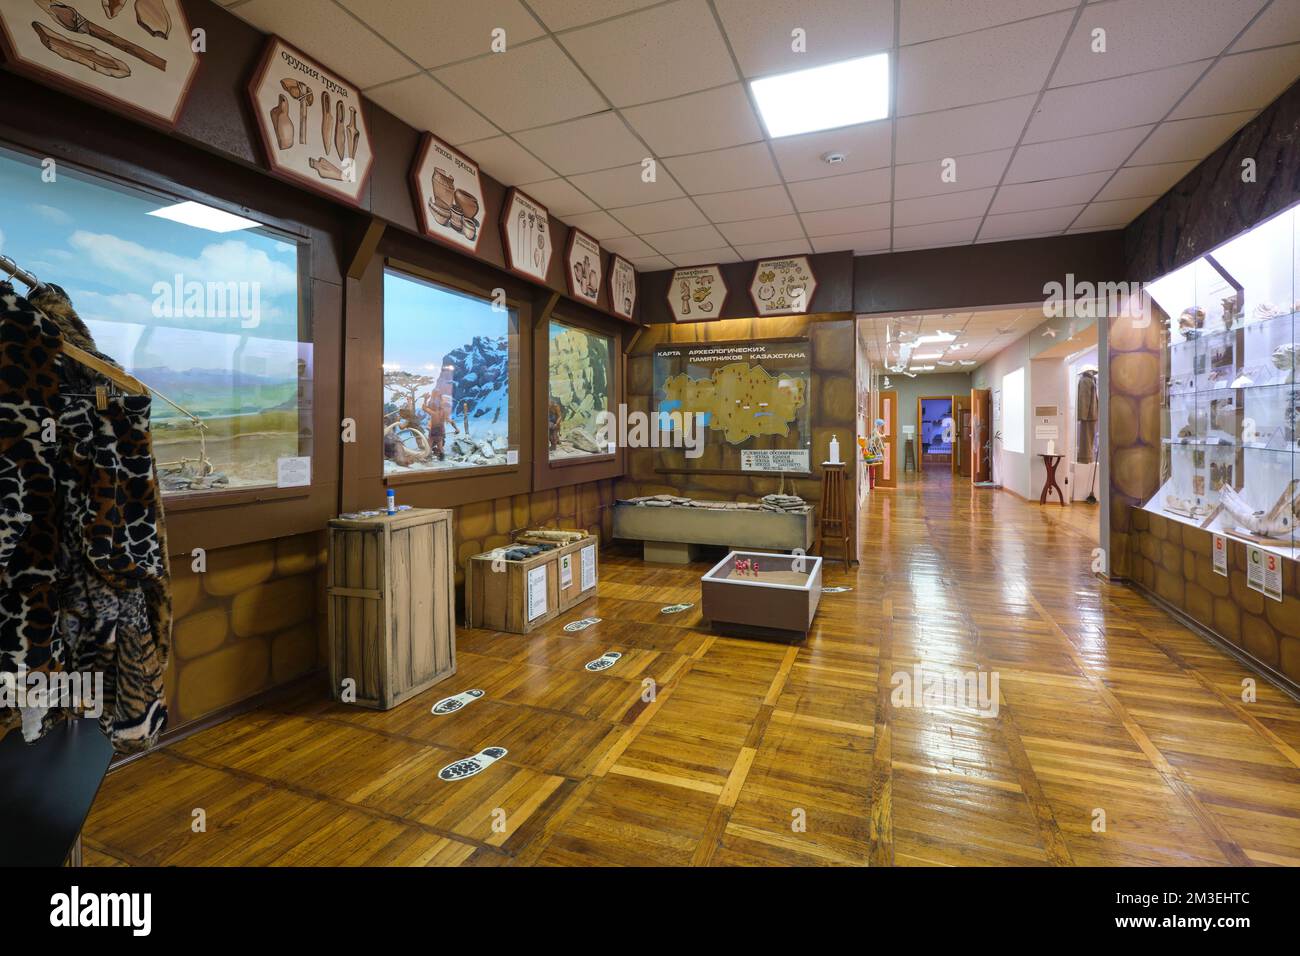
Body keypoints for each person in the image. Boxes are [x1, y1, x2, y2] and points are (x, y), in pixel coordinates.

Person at [422, 391, 460, 461]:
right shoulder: (439, 413)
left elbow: (424, 408)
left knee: (431, 446)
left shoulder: (436, 413)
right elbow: (451, 421)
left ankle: (433, 458)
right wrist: (456, 429)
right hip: (438, 432)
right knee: (437, 447)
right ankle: (437, 458)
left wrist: (425, 399)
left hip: (436, 432)